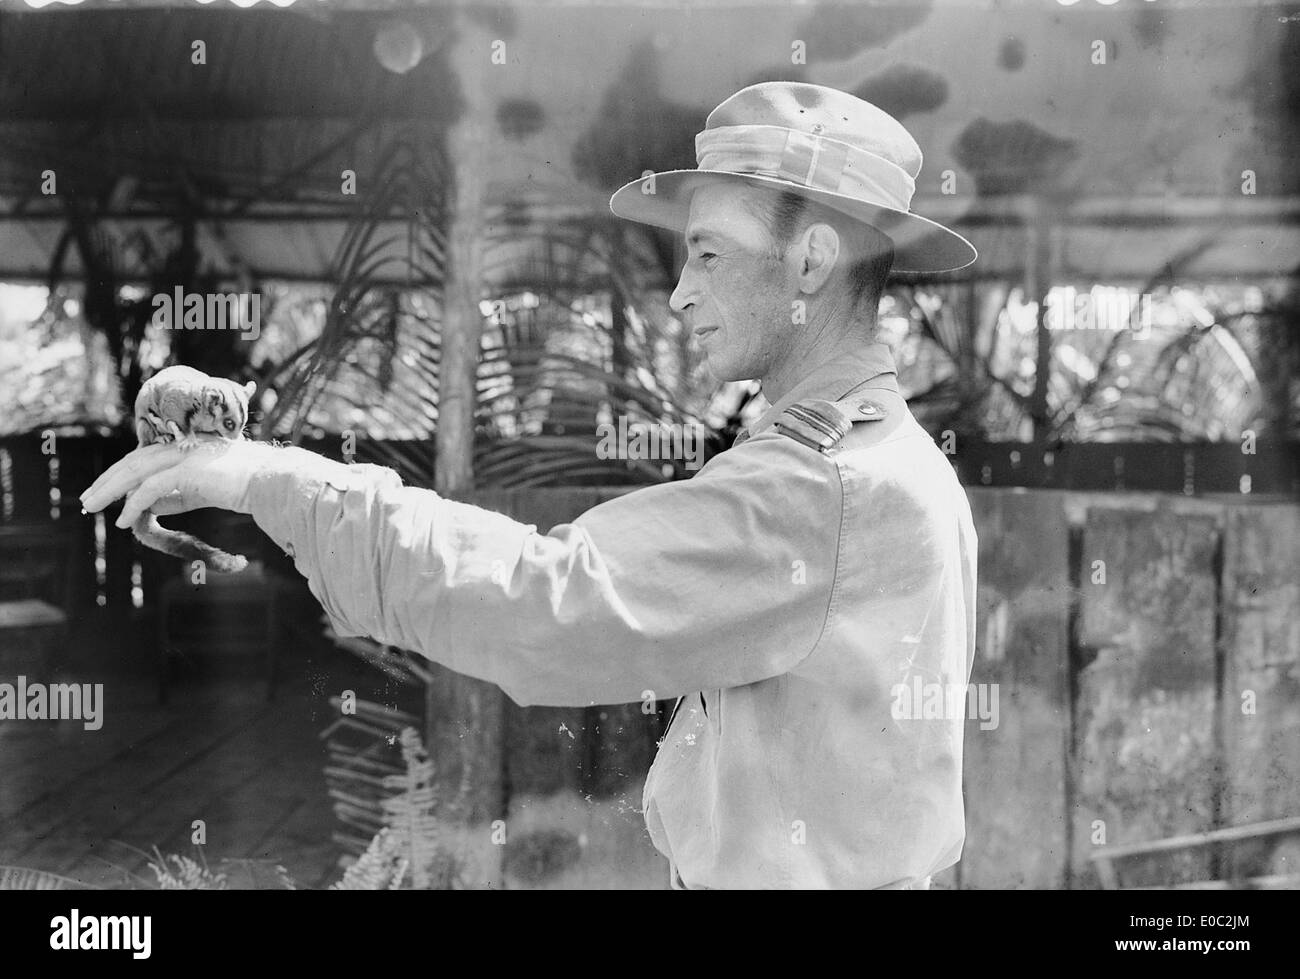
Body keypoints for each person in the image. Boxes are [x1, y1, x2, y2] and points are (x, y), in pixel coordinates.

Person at [82, 82, 979, 889]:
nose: (679, 294)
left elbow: (547, 599)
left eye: (705, 254)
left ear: (813, 262)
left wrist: (267, 478)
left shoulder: (827, 487)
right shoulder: (896, 458)